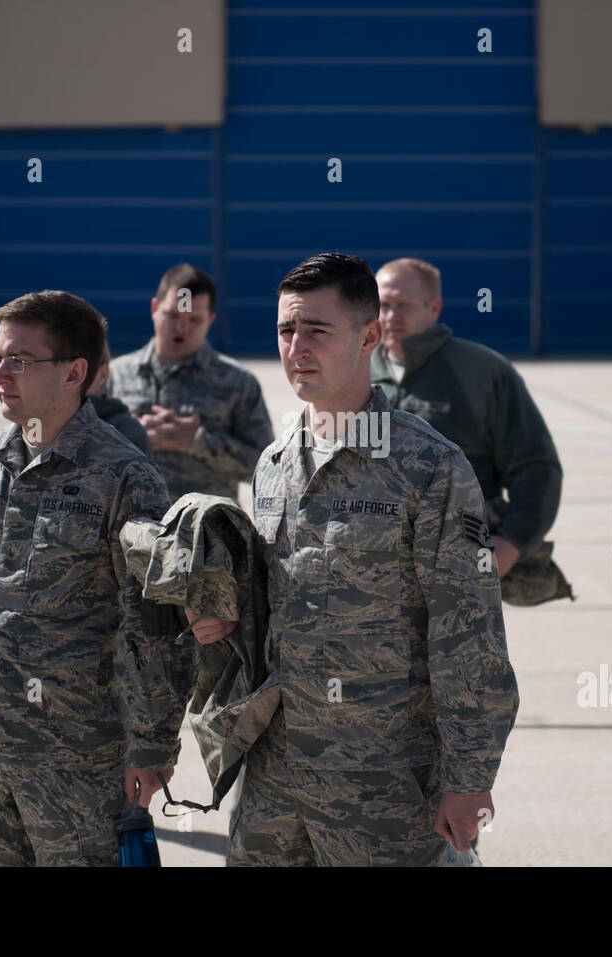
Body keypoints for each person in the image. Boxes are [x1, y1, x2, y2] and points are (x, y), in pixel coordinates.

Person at [190, 253, 519, 866]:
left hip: (384, 784)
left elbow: (468, 631)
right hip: (277, 783)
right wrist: (221, 616)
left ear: (369, 336)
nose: (297, 347)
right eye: (287, 330)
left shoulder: (429, 466)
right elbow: (270, 608)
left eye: (317, 329)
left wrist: (470, 775)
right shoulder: (274, 464)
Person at [0, 290, 191, 866]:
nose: (1, 373)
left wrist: (152, 745)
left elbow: (154, 623)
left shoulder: (125, 475)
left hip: (73, 761)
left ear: (75, 371)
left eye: (19, 360)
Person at [372, 258, 562, 583]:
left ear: (434, 308)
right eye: (383, 305)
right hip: (371, 566)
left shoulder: (481, 372)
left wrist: (511, 544)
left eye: (403, 306)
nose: (391, 317)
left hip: (456, 565)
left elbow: (536, 466)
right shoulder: (353, 370)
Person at [108, 263, 273, 500]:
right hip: (129, 529)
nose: (181, 328)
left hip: (206, 533)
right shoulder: (114, 375)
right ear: (155, 308)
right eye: (173, 315)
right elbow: (83, 453)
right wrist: (131, 436)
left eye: (194, 319)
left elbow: (265, 468)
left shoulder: (238, 382)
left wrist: (197, 441)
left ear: (211, 320)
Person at [88, 340, 151, 457]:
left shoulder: (127, 433)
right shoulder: (46, 424)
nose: (74, 373)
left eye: (85, 365)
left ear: (103, 372)